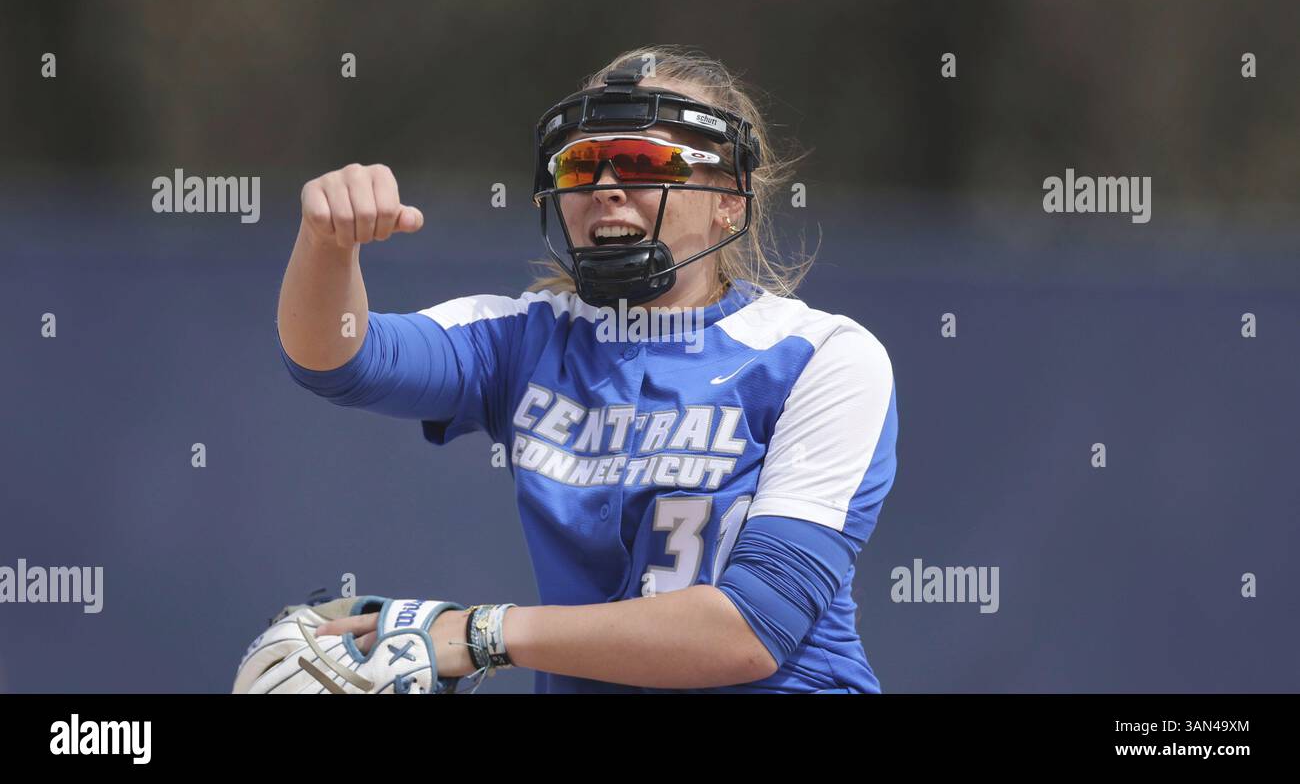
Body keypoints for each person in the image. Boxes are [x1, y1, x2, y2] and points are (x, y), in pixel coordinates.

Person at [274, 46, 898, 693]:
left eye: (640, 160)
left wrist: (480, 633)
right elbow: (334, 359)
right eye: (578, 165)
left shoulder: (820, 356)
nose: (604, 186)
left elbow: (749, 630)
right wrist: (327, 244)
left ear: (729, 201)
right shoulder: (523, 339)